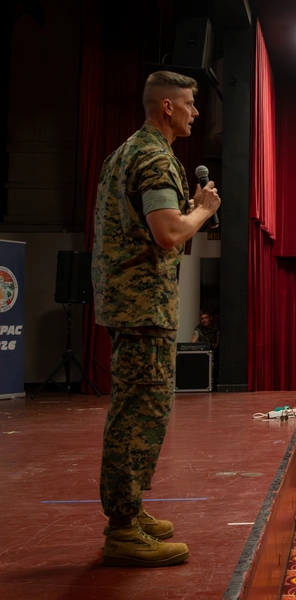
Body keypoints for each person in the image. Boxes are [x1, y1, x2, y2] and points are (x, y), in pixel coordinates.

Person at [92, 71, 220, 567]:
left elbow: (148, 227)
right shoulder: (154, 157)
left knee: (138, 409)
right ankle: (123, 528)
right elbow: (167, 234)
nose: (195, 112)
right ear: (167, 106)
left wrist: (186, 211)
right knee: (141, 414)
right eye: (189, 104)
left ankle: (130, 510)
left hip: (130, 302)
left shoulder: (126, 152)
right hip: (143, 306)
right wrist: (202, 211)